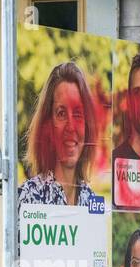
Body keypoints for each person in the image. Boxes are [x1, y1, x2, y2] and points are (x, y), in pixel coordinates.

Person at [18, 61, 98, 207]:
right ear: (47, 124)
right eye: (61, 113)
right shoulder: (27, 198)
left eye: (78, 113)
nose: (71, 127)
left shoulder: (93, 203)